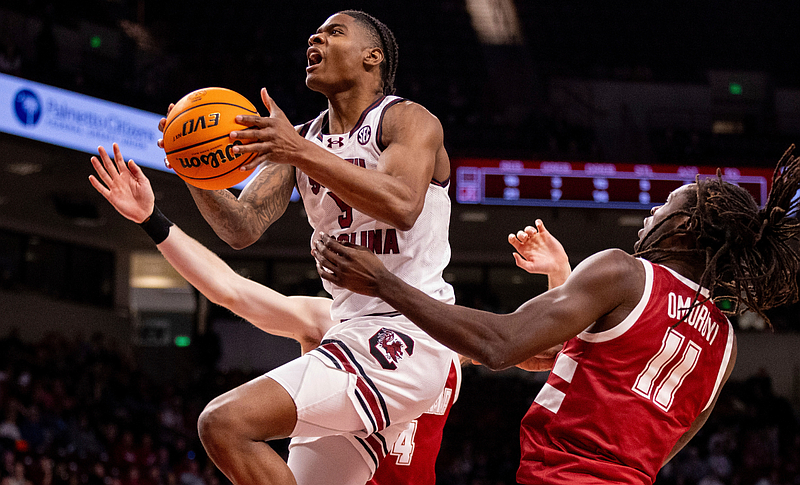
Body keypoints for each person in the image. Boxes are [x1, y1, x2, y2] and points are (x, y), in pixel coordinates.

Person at [312, 147, 800, 484]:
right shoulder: (726, 343)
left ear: (687, 228)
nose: (652, 212)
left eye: (664, 204)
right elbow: (651, 432)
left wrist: (386, 284)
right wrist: (562, 275)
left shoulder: (625, 273)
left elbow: (500, 344)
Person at [88, 143, 468, 485]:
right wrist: (151, 219)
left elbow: (524, 351)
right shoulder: (334, 320)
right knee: (224, 422)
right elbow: (230, 289)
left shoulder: (447, 338)